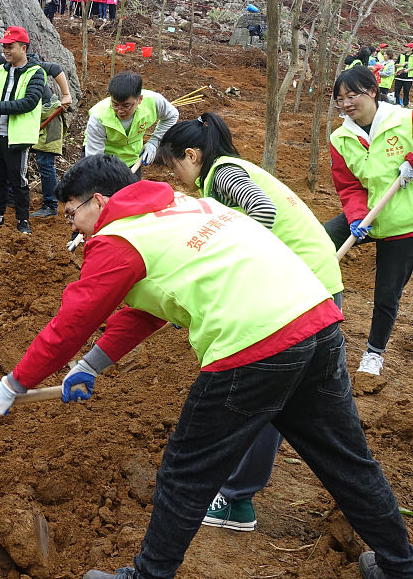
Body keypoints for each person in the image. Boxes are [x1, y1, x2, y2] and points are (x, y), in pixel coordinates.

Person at [0, 152, 413, 579]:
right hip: (316, 322)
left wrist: (12, 385)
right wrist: (92, 366)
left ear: (99, 202)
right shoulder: (181, 205)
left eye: (72, 213)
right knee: (347, 459)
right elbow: (151, 307)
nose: (73, 226)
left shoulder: (118, 240)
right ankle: (400, 566)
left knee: (185, 472)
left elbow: (68, 326)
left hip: (254, 345)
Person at [158, 113, 343, 533]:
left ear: (192, 154)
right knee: (294, 401)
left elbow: (260, 211)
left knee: (265, 397)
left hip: (301, 286)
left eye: (175, 166)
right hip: (311, 283)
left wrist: (237, 261)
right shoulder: (228, 172)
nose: (176, 176)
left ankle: (237, 498)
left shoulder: (223, 173)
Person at [327, 66, 413, 376]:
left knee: (387, 293)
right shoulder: (341, 138)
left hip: (403, 222)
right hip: (369, 217)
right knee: (319, 243)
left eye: (353, 96)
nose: (347, 104)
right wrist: (357, 216)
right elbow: (349, 185)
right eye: (340, 99)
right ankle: (323, 330)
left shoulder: (406, 120)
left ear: (372, 92)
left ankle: (374, 354)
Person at [0, 26, 45, 234]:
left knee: (18, 180)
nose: (6, 51)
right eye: (4, 46)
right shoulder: (1, 71)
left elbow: (30, 102)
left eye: (10, 46)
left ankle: (22, 220)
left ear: (23, 48)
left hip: (17, 137)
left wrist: (0, 108)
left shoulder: (36, 72)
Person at [84, 71, 178, 177]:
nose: (120, 110)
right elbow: (95, 160)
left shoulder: (154, 102)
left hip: (131, 156)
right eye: (115, 104)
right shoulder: (99, 117)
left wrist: (155, 141)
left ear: (140, 100)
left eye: (126, 106)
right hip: (102, 157)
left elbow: (171, 116)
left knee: (131, 192)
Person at [27, 52, 72, 217]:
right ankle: (11, 196)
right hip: (35, 116)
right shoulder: (9, 70)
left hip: (50, 118)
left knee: (45, 162)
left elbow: (55, 68)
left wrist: (66, 94)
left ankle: (51, 205)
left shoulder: (32, 66)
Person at [394, 43, 413, 107]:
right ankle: (397, 103)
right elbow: (396, 64)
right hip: (399, 76)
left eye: (407, 47)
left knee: (406, 91)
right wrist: (402, 65)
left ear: (411, 48)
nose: (406, 48)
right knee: (397, 91)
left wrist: (408, 70)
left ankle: (405, 104)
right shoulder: (401, 55)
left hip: (408, 77)